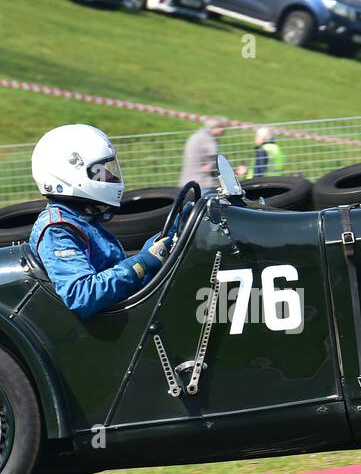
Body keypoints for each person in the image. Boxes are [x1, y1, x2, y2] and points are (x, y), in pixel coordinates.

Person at [29, 124, 170, 320]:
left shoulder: (82, 219)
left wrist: (157, 246)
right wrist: (141, 264)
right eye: (100, 171)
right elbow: (82, 295)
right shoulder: (58, 229)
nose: (110, 176)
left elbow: (112, 270)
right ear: (70, 174)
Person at [179, 115, 229, 190]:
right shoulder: (208, 139)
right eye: (223, 129)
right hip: (202, 183)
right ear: (217, 127)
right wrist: (232, 171)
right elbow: (216, 162)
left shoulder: (197, 135)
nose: (224, 132)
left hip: (187, 181)